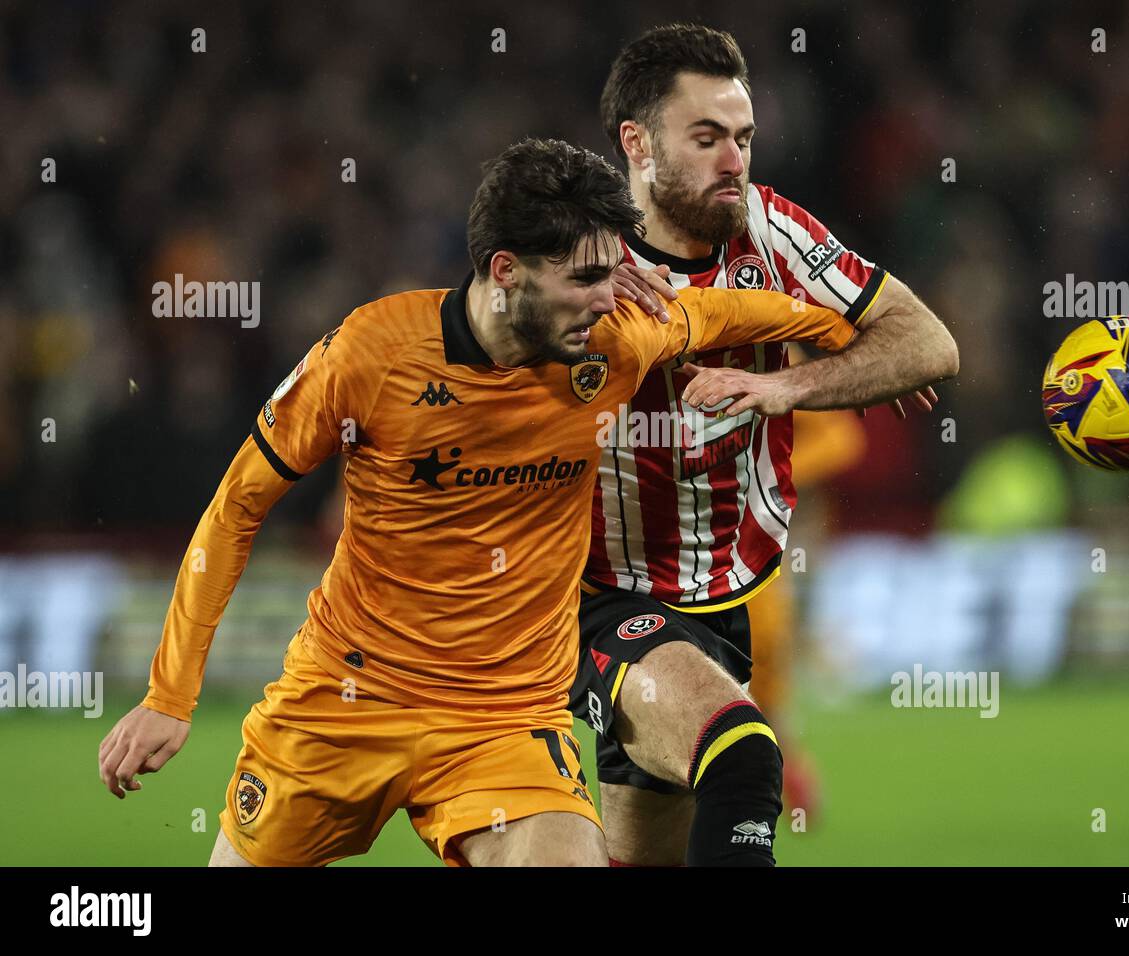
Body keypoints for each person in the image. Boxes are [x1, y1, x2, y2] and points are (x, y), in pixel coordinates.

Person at [96, 137, 870, 867]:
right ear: (506, 270)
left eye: (613, 273)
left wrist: (848, 345)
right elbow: (236, 508)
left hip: (505, 720)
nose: (610, 298)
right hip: (342, 701)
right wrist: (170, 696)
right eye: (586, 277)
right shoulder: (371, 354)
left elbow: (734, 312)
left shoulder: (616, 341)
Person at [568, 24, 959, 866]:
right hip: (597, 599)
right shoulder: (571, 256)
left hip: (727, 599)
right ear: (636, 144)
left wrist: (787, 384)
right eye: (705, 138)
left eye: (743, 137)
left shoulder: (769, 232)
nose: (733, 161)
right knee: (746, 759)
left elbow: (928, 344)